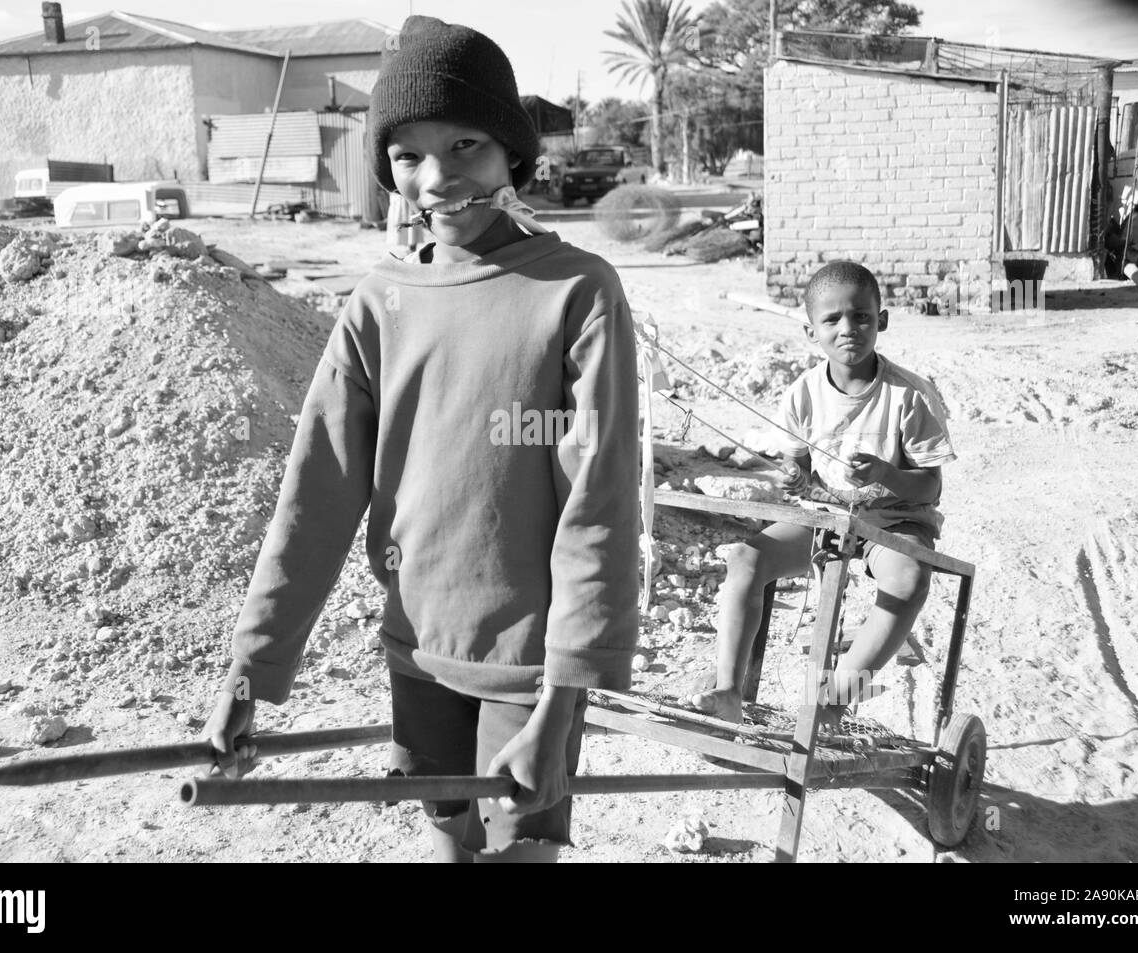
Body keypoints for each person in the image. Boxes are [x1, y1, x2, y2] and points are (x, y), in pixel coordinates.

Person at [202, 15, 640, 863]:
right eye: (407, 156)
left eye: (466, 144)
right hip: (419, 654)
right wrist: (251, 669)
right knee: (447, 845)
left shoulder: (576, 293)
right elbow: (316, 496)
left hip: (529, 671)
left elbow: (600, 504)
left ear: (513, 152)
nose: (437, 178)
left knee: (519, 855)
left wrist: (561, 702)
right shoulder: (376, 307)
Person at [684, 260, 956, 727]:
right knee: (746, 559)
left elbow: (930, 486)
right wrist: (797, 481)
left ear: (882, 321)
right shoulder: (802, 393)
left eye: (861, 317)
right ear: (811, 331)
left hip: (895, 521)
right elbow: (802, 472)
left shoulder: (910, 395)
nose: (848, 329)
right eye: (832, 320)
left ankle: (833, 702)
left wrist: (887, 473)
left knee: (909, 581)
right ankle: (727, 689)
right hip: (824, 518)